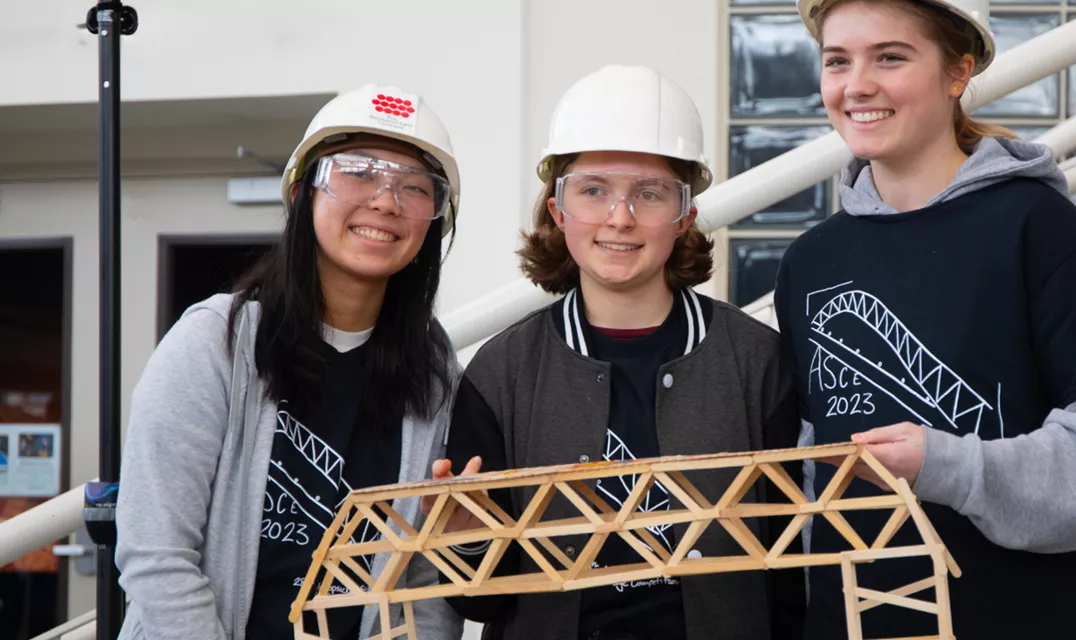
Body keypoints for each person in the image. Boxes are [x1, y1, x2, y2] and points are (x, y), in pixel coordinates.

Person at [775, 1, 1076, 638]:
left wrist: (946, 465)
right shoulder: (812, 261)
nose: (857, 84)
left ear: (959, 71)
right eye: (837, 61)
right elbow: (813, 479)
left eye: (890, 56)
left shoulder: (1037, 228)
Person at [433, 64, 806, 640]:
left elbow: (792, 579)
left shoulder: (759, 361)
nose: (620, 218)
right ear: (558, 212)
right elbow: (480, 604)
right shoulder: (501, 373)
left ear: (685, 217)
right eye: (593, 191)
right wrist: (466, 543)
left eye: (650, 194)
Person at [115, 84, 466, 640]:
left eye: (414, 187)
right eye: (357, 172)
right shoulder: (215, 342)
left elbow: (422, 580)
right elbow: (157, 556)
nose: (385, 201)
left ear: (434, 220)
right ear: (303, 193)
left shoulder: (434, 369)